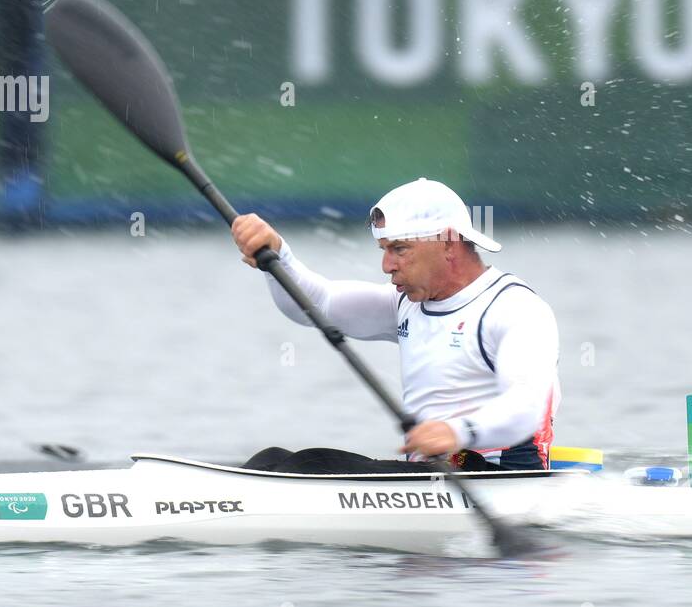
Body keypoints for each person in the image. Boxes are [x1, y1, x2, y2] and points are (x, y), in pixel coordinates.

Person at [231, 177, 560, 474]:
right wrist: (277, 257)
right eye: (385, 250)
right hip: (436, 474)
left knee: (310, 465)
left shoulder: (514, 309)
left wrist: (456, 431)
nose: (387, 266)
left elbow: (526, 406)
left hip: (500, 478)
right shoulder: (406, 304)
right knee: (271, 459)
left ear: (448, 243)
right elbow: (317, 305)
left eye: (400, 249)